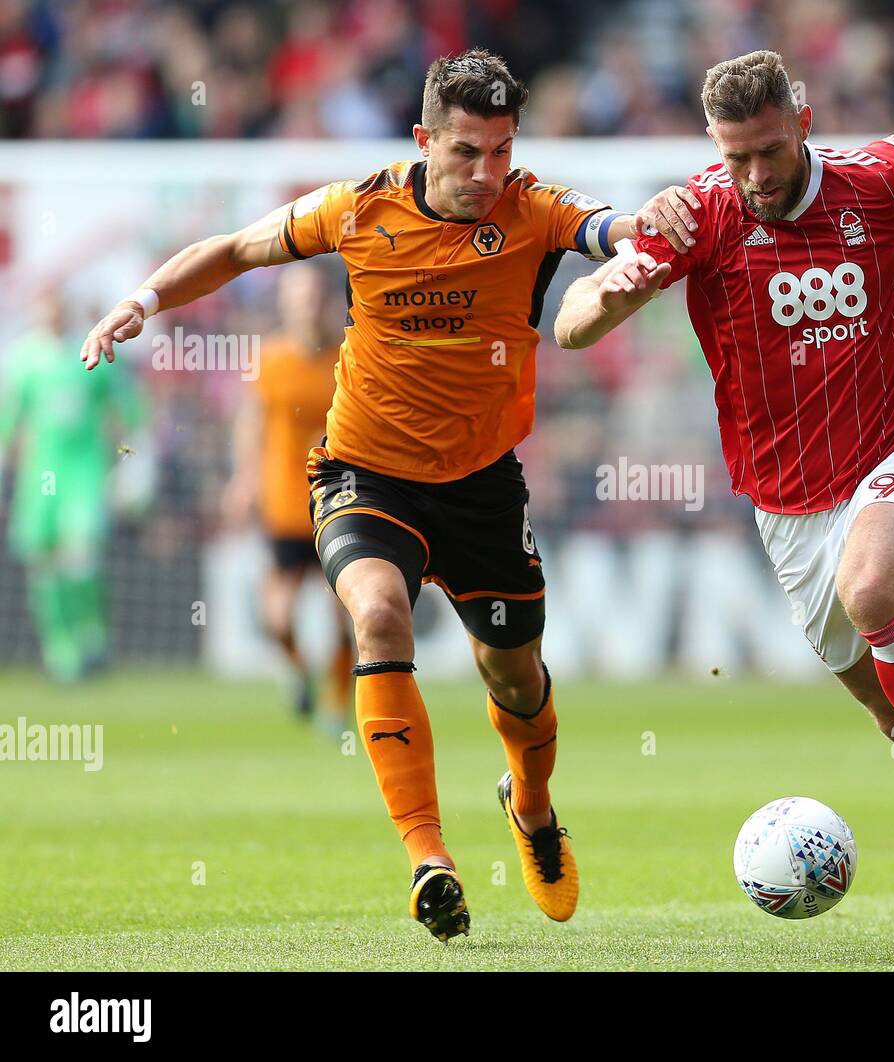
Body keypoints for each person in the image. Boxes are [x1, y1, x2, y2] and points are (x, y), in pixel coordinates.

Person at [81, 49, 685, 942]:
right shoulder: (357, 207)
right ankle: (429, 860)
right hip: (365, 473)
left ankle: (532, 806)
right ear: (423, 141)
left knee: (513, 676)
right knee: (378, 615)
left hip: (483, 484)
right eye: (467, 153)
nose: (487, 174)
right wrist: (144, 298)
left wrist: (653, 222)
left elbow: (609, 230)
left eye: (502, 151)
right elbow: (239, 249)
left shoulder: (534, 210)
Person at [555, 50, 894, 933]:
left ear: (801, 119)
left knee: (873, 590)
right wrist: (616, 287)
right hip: (786, 503)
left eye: (770, 150)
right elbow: (576, 325)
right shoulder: (697, 214)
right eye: (736, 157)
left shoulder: (876, 181)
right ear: (712, 144)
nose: (756, 175)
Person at [223, 264, 354, 726]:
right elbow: (251, 421)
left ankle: (338, 705)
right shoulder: (271, 359)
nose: (307, 305)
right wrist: (243, 478)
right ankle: (298, 670)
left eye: (314, 296)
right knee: (277, 616)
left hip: (340, 498)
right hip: (283, 498)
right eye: (298, 296)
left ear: (327, 300)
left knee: (343, 610)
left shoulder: (347, 355)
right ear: (284, 302)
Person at [1, 287, 148, 682]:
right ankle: (61, 649)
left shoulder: (89, 350)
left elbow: (127, 409)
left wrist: (132, 463)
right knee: (44, 563)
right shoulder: (24, 361)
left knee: (81, 556)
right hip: (39, 477)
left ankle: (92, 637)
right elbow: (9, 424)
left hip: (84, 474)